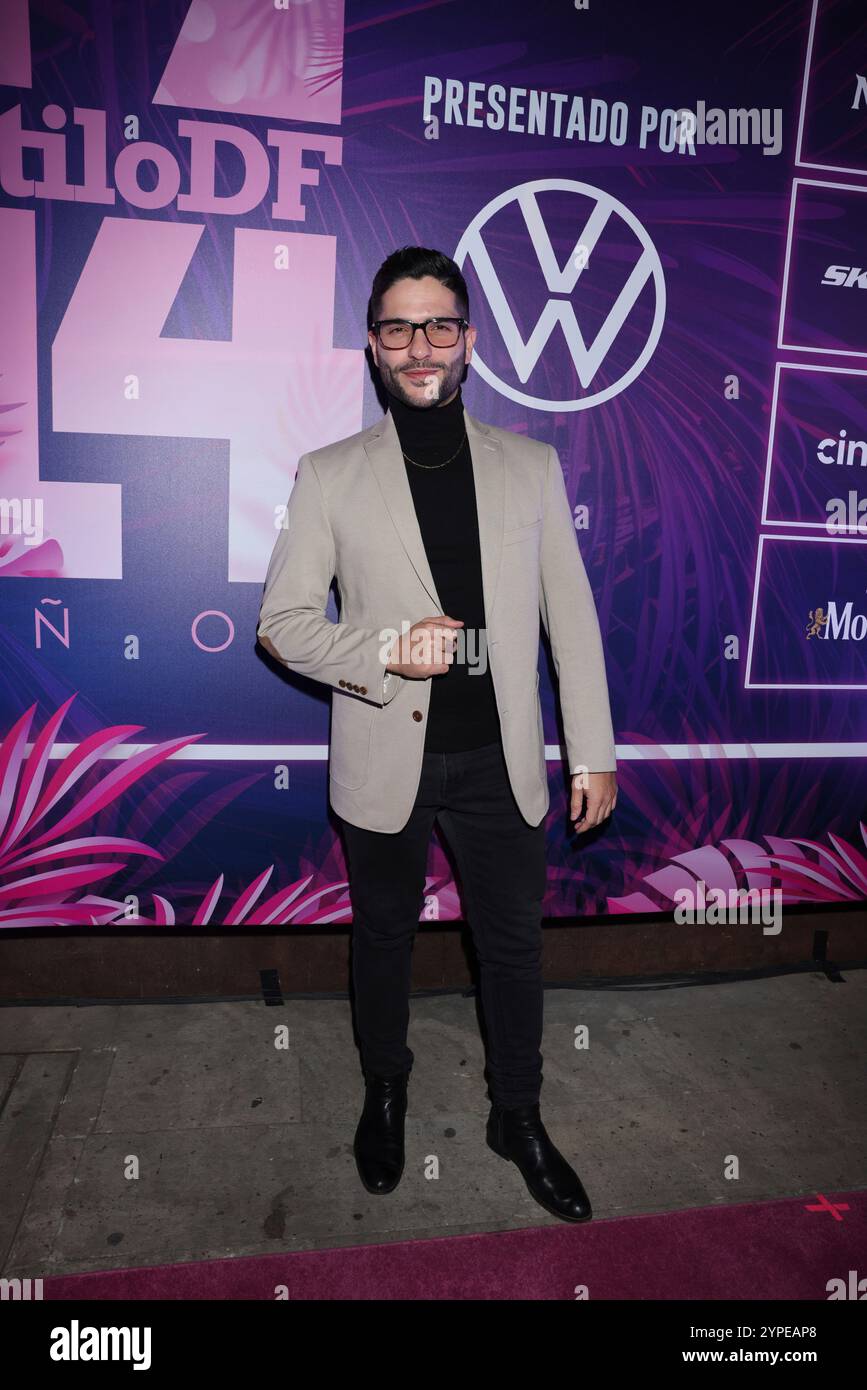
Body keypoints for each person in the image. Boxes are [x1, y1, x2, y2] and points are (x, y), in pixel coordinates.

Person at [257, 246, 617, 1223]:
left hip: (501, 760)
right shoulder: (330, 475)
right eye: (398, 327)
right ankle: (385, 1094)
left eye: (440, 324)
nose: (421, 345)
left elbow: (568, 619)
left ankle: (519, 1116)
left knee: (513, 948)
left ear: (468, 338)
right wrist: (389, 650)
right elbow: (280, 622)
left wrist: (592, 751)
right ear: (374, 346)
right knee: (383, 941)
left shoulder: (531, 467)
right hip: (387, 754)